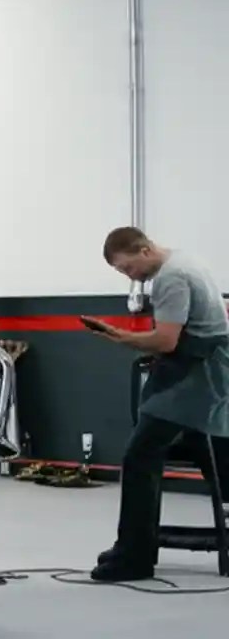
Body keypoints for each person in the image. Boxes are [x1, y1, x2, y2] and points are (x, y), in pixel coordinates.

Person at [87, 226, 229, 581]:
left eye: (126, 268)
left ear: (145, 250)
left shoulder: (171, 277)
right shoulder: (187, 260)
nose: (128, 276)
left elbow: (166, 341)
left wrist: (120, 337)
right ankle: (137, 543)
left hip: (195, 380)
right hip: (206, 374)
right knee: (201, 450)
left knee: (140, 456)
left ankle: (133, 557)